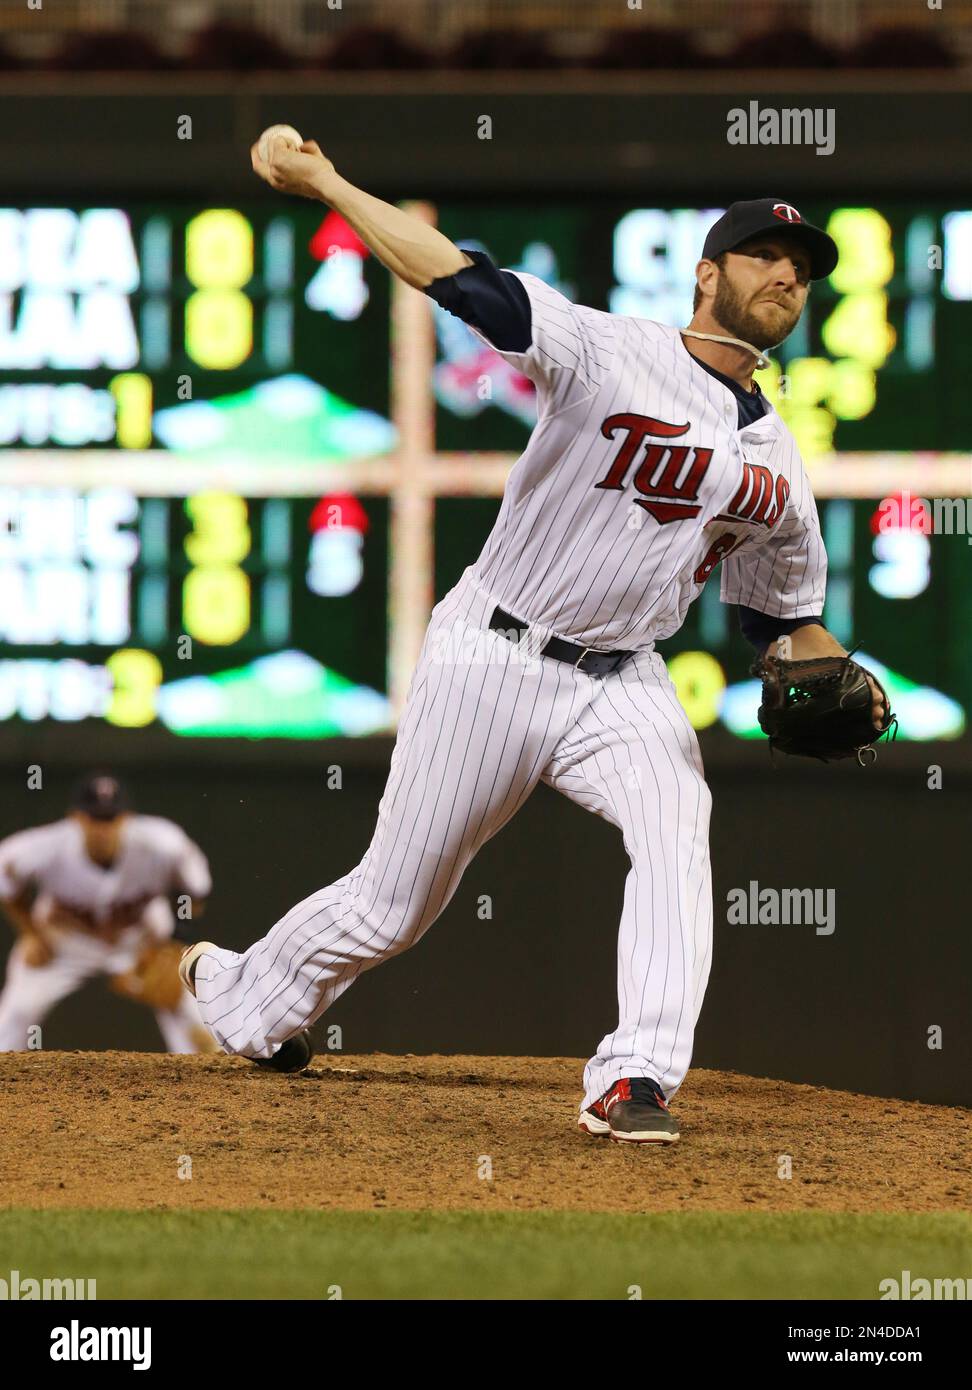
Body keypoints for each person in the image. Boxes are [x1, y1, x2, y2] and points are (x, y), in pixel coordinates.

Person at [180, 140, 890, 1141]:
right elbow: (460, 281)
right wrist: (333, 186)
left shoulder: (779, 459)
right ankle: (245, 996)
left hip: (624, 679)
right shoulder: (609, 349)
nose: (787, 273)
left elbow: (778, 615)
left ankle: (634, 1076)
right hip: (494, 650)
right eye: (764, 253)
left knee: (677, 822)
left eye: (802, 265)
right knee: (395, 906)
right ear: (707, 272)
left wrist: (826, 669)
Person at [0, 773, 213, 1054]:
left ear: (126, 818)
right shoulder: (44, 848)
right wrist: (31, 933)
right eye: (94, 819)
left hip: (140, 938)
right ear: (76, 819)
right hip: (63, 941)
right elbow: (6, 883)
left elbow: (196, 892)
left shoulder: (163, 843)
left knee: (189, 1009)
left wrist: (175, 941)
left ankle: (210, 1080)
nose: (104, 829)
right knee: (18, 1011)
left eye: (111, 819)